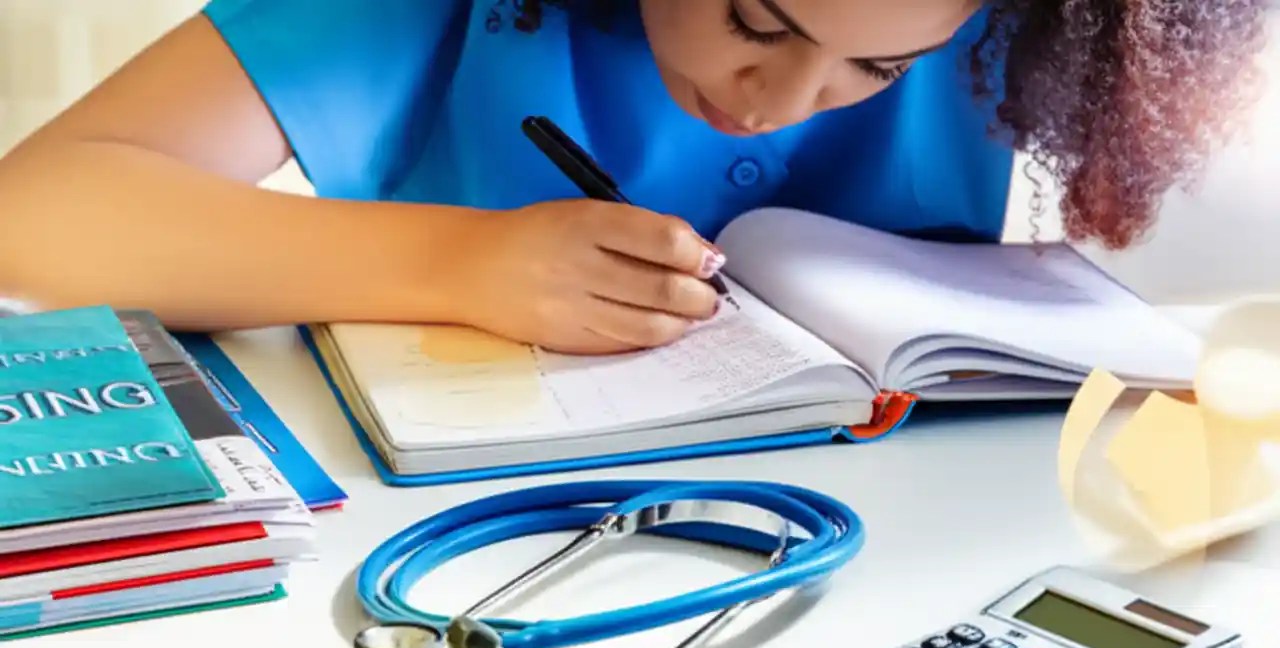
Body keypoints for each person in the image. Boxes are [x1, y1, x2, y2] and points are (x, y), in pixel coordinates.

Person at [0, 0, 1268, 354]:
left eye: (874, 69)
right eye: (755, 23)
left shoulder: (1041, 33)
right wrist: (456, 265)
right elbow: (35, 211)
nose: (773, 100)